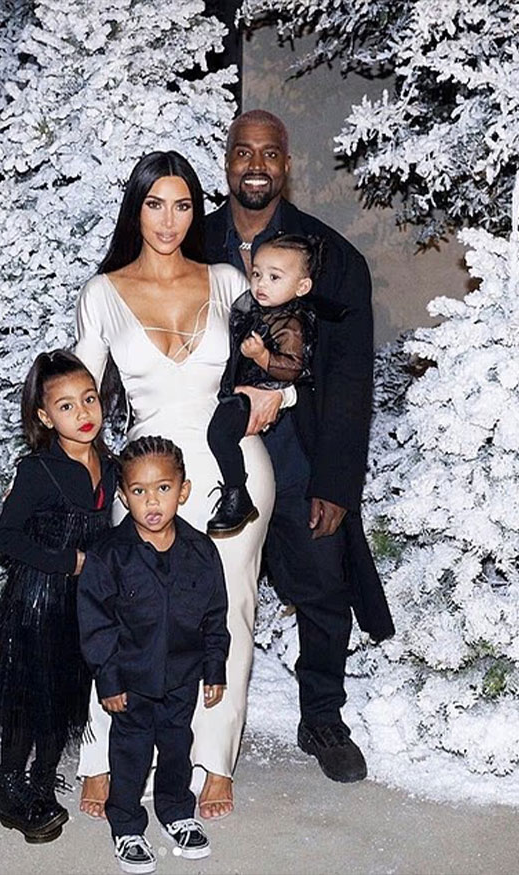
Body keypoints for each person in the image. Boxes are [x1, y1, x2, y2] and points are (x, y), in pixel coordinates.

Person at [75, 150, 279, 820]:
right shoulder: (103, 292)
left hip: (231, 468)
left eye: (183, 204)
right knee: (125, 612)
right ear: (136, 208)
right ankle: (104, 755)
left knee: (229, 614)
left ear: (197, 209)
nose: (169, 219)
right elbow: (80, 394)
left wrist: (270, 395)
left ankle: (214, 761)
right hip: (148, 472)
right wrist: (69, 475)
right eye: (155, 203)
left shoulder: (225, 279)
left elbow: (279, 351)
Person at [205, 109, 395, 783]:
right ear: (226, 160)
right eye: (243, 151)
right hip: (215, 456)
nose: (256, 163)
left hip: (300, 456)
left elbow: (349, 377)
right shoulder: (191, 244)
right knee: (200, 592)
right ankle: (188, 715)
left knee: (322, 590)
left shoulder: (330, 257)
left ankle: (322, 715)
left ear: (286, 165)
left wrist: (337, 482)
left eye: (271, 153)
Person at [0, 349, 117, 842]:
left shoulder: (112, 465)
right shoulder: (39, 470)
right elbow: (8, 538)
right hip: (36, 603)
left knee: (65, 696)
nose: (82, 414)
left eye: (89, 400)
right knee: (28, 697)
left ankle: (43, 779)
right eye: (66, 406)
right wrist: (71, 562)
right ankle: (12, 778)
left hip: (81, 609)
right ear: (43, 416)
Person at [78, 436, 230, 873]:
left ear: (183, 490)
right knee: (130, 754)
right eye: (139, 491)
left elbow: (215, 615)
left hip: (182, 677)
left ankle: (176, 811)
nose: (152, 501)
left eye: (163, 488)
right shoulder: (109, 555)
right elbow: (96, 623)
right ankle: (125, 823)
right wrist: (108, 680)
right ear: (124, 496)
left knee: (178, 747)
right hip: (131, 682)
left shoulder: (202, 552)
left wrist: (214, 666)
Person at [206, 232, 345, 538]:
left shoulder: (291, 321)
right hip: (239, 390)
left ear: (302, 286)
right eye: (256, 274)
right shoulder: (256, 308)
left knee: (219, 433)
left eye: (274, 277)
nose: (261, 283)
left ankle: (236, 494)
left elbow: (294, 367)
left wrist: (263, 356)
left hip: (264, 394)